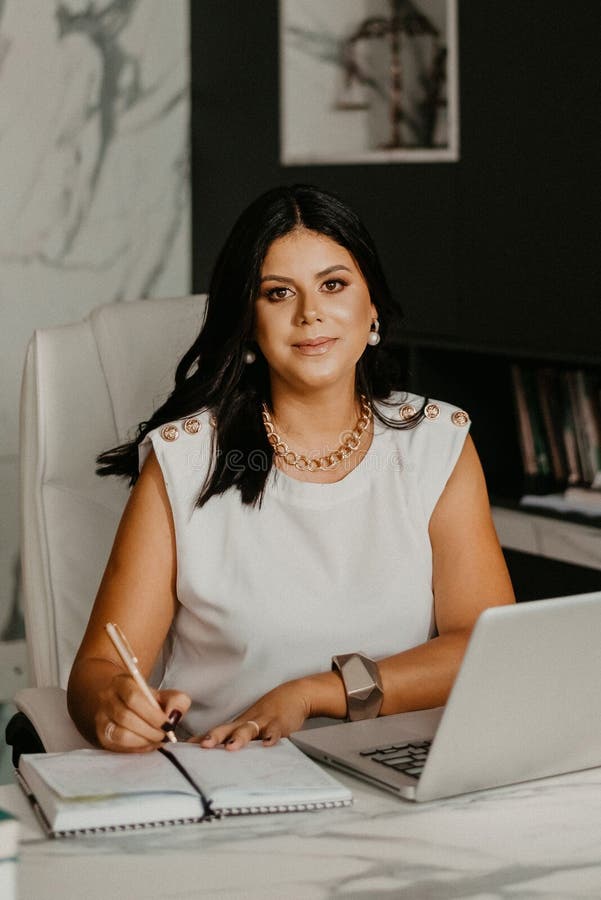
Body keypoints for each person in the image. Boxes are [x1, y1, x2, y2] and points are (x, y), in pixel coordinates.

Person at [67, 184, 515, 753]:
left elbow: (484, 646)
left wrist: (314, 693)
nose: (310, 314)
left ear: (371, 305)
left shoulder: (436, 443)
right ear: (249, 321)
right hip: (231, 777)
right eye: (279, 293)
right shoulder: (183, 461)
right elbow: (99, 668)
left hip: (399, 769)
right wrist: (112, 706)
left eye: (333, 284)